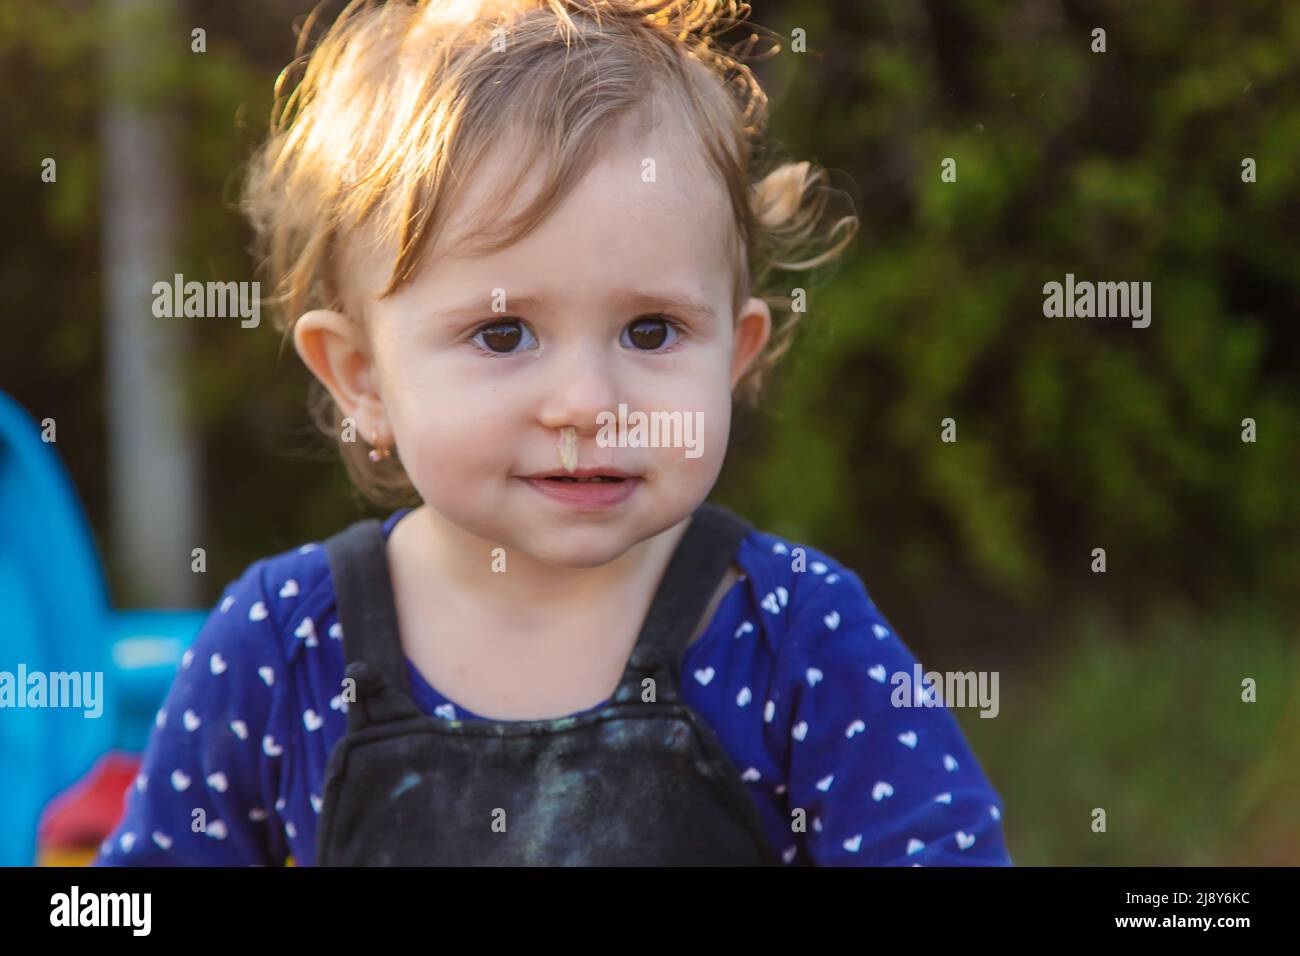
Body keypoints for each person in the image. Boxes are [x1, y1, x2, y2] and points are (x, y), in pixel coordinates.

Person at [95, 0, 1011, 866]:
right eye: (502, 333)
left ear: (734, 356)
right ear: (362, 378)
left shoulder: (794, 639)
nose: (586, 402)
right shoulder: (284, 647)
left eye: (651, 330)